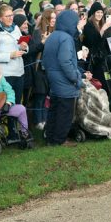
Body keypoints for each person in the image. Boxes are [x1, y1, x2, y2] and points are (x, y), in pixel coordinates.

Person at [42, 10, 83, 146]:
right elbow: (65, 61)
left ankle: (50, 138)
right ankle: (60, 139)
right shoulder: (66, 38)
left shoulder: (53, 35)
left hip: (53, 77)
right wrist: (75, 78)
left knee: (54, 110)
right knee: (65, 112)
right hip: (64, 80)